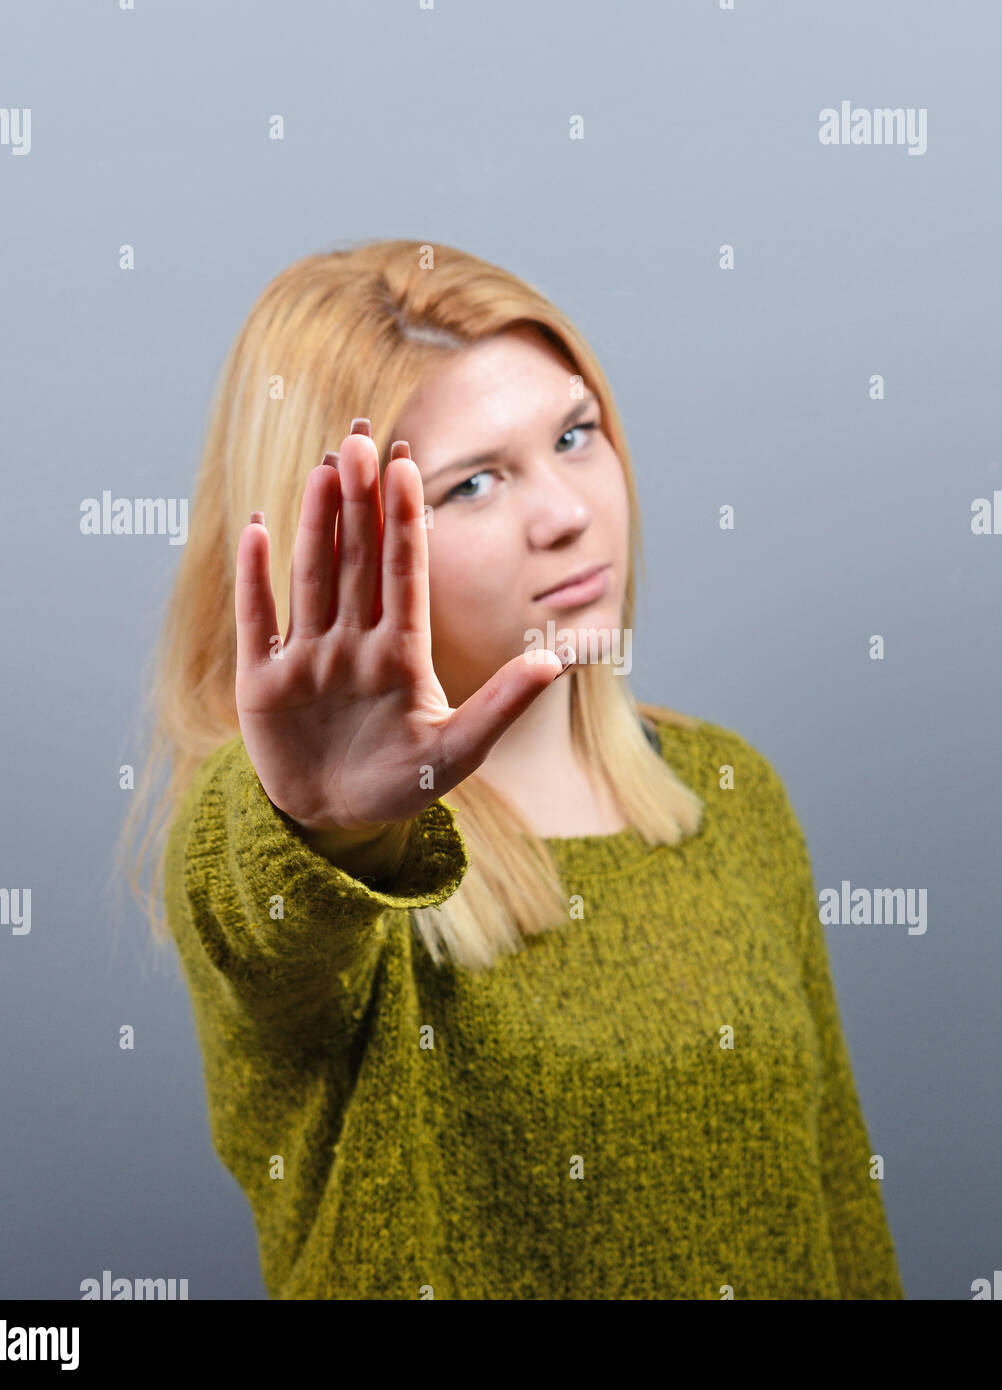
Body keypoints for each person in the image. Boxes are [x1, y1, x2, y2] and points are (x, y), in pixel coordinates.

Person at [119, 238, 905, 1300]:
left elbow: (842, 1219)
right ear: (340, 547)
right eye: (474, 484)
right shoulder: (336, 873)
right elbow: (251, 908)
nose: (568, 512)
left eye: (576, 435)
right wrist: (319, 823)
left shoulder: (732, 795)